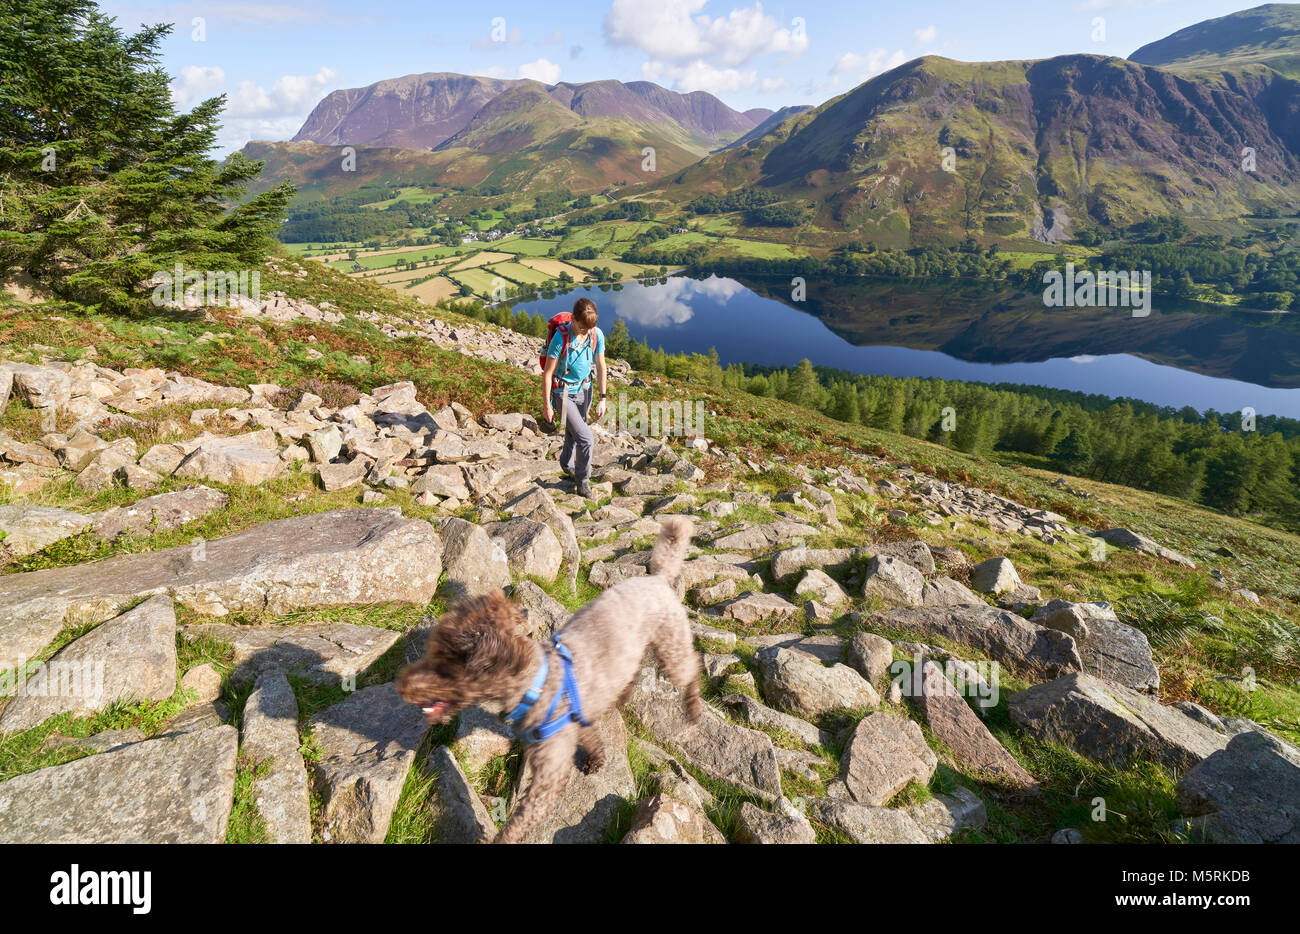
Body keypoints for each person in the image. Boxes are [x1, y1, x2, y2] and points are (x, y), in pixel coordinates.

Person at [541, 297, 607, 498]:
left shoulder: (596, 334)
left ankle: (567, 464)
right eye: (582, 327)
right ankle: (583, 481)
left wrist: (603, 398)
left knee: (574, 432)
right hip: (564, 394)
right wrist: (547, 406)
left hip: (586, 390)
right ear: (574, 319)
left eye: (589, 327)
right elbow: (547, 373)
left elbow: (602, 366)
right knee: (586, 438)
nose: (585, 331)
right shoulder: (560, 338)